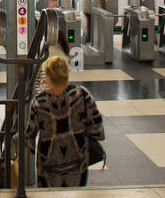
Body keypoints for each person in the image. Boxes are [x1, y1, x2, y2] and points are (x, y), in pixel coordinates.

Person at [24, 53, 105, 187]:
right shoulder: (81, 94)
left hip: (48, 162)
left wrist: (29, 147)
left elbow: (29, 135)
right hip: (77, 160)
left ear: (48, 76)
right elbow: (97, 129)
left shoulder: (39, 102)